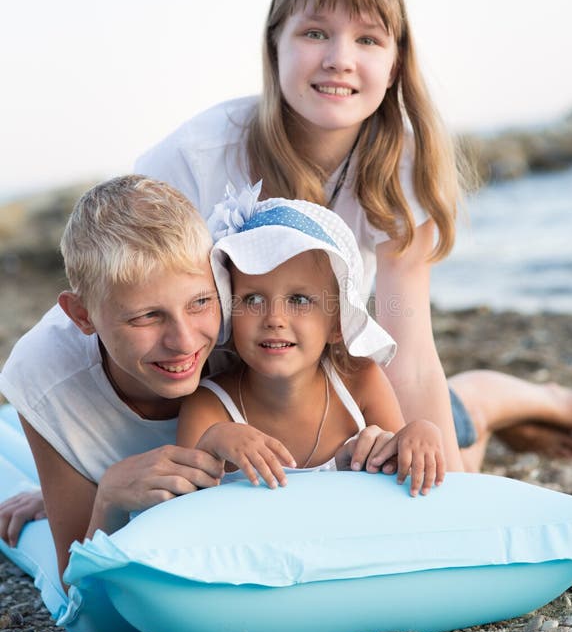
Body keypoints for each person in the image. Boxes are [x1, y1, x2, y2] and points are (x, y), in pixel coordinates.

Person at [134, 0, 572, 465]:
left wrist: (448, 502)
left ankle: (549, 403)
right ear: (275, 47)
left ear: (396, 60)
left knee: (447, 458)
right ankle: (485, 419)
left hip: (329, 383)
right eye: (314, 33)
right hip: (230, 394)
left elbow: (411, 348)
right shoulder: (197, 157)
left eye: (368, 39)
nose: (340, 58)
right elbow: (117, 311)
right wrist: (86, 473)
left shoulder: (403, 161)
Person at [0, 175, 290, 585]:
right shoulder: (43, 377)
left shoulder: (248, 330)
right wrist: (106, 498)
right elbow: (76, 585)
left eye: (200, 302)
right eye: (147, 317)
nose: (184, 341)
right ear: (82, 316)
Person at [177, 187, 446, 496]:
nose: (274, 318)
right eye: (252, 298)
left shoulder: (360, 382)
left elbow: (402, 477)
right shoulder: (209, 407)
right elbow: (184, 513)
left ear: (336, 326)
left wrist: (421, 432)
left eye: (299, 299)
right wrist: (212, 445)